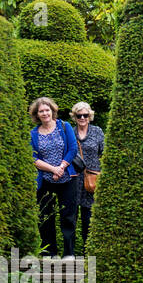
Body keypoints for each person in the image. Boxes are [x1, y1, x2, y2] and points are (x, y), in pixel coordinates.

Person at [29, 96, 78, 258]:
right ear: (37, 114)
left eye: (47, 110)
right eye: (41, 111)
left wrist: (62, 167)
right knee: (45, 217)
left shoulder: (65, 126)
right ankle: (50, 253)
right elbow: (33, 158)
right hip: (46, 180)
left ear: (52, 111)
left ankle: (69, 253)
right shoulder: (33, 134)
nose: (44, 113)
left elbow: (72, 149)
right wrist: (53, 169)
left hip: (67, 179)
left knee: (68, 217)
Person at [69, 101, 103, 253]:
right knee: (71, 217)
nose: (82, 118)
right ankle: (69, 252)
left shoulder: (97, 131)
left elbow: (104, 153)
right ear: (74, 117)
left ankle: (87, 251)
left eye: (85, 115)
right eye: (79, 115)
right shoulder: (70, 131)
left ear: (90, 116)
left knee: (89, 218)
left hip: (92, 179)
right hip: (73, 179)